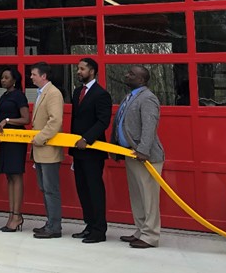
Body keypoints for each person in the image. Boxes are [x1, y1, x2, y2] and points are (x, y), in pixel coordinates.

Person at [114, 65, 165, 249]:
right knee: (137, 196)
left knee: (148, 197)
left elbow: (149, 126)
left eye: (131, 74)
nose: (126, 75)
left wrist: (143, 150)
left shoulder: (148, 98)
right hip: (132, 155)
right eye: (127, 72)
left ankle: (150, 236)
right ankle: (141, 230)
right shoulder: (131, 96)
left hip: (146, 157)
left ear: (142, 80)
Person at [69, 57, 112, 244]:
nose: (78, 72)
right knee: (82, 189)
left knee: (94, 190)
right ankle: (89, 224)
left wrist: (87, 138)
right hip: (77, 151)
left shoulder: (101, 94)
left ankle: (99, 230)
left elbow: (103, 121)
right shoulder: (77, 92)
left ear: (92, 71)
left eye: (82, 69)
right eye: (78, 69)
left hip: (92, 151)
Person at [29, 62, 64, 239]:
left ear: (43, 76)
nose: (31, 77)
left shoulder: (53, 94)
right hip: (40, 152)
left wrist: (40, 138)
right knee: (44, 188)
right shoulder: (42, 93)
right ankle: (50, 222)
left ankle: (55, 227)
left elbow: (55, 121)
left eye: (34, 74)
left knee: (51, 189)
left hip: (48, 150)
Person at [0, 67, 30, 231]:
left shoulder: (19, 95)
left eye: (6, 78)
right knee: (9, 176)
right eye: (2, 78)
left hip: (16, 139)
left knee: (16, 175)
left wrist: (7, 120)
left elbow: (26, 119)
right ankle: (11, 214)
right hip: (5, 140)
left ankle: (17, 215)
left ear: (14, 80)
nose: (3, 80)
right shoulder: (4, 96)